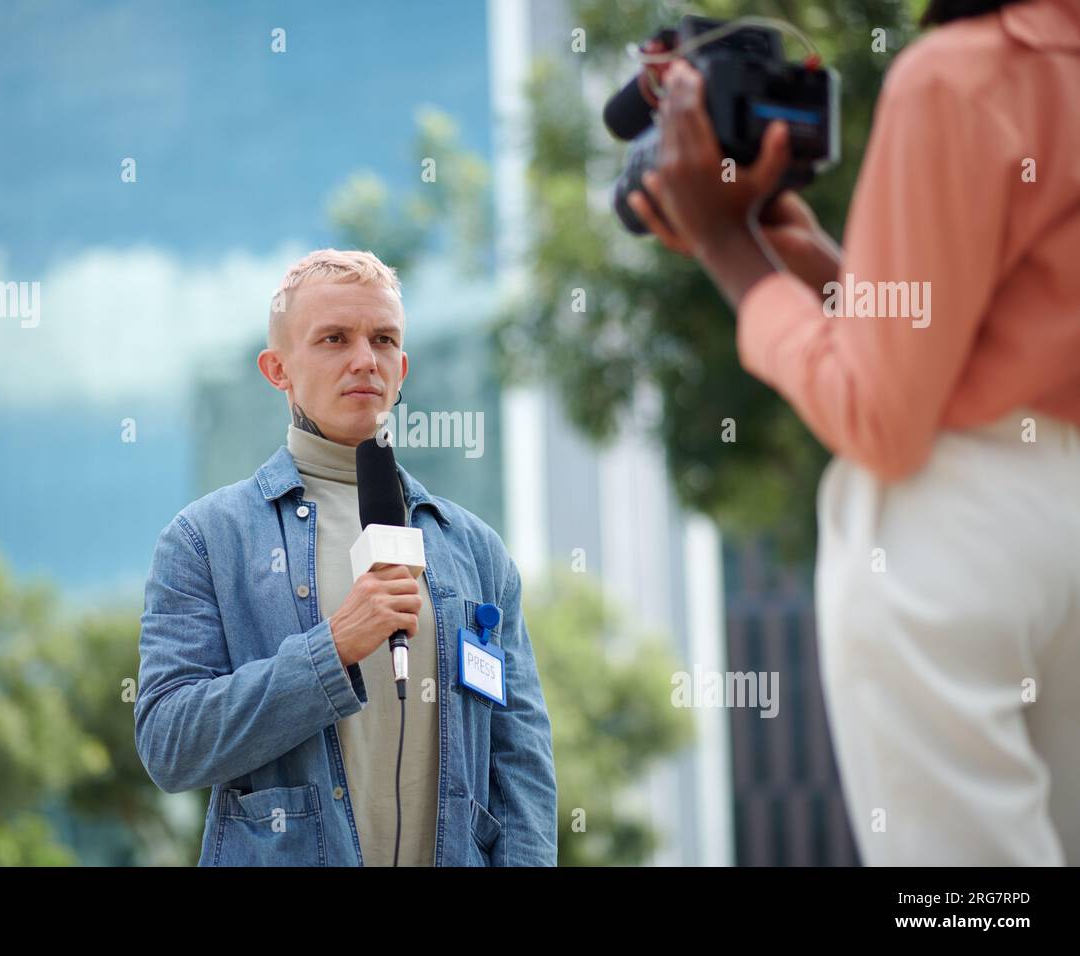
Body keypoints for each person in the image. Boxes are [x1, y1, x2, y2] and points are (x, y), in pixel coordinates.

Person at [632, 0, 1080, 864]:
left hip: (957, 532)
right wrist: (829, 279)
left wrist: (730, 247)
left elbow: (882, 419)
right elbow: (1010, 338)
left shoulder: (958, 75)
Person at [134, 249, 557, 866]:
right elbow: (170, 743)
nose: (365, 359)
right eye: (334, 338)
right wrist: (331, 651)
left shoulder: (474, 550)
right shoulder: (206, 539)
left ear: (403, 366)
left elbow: (522, 766)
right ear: (277, 368)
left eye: (383, 340)